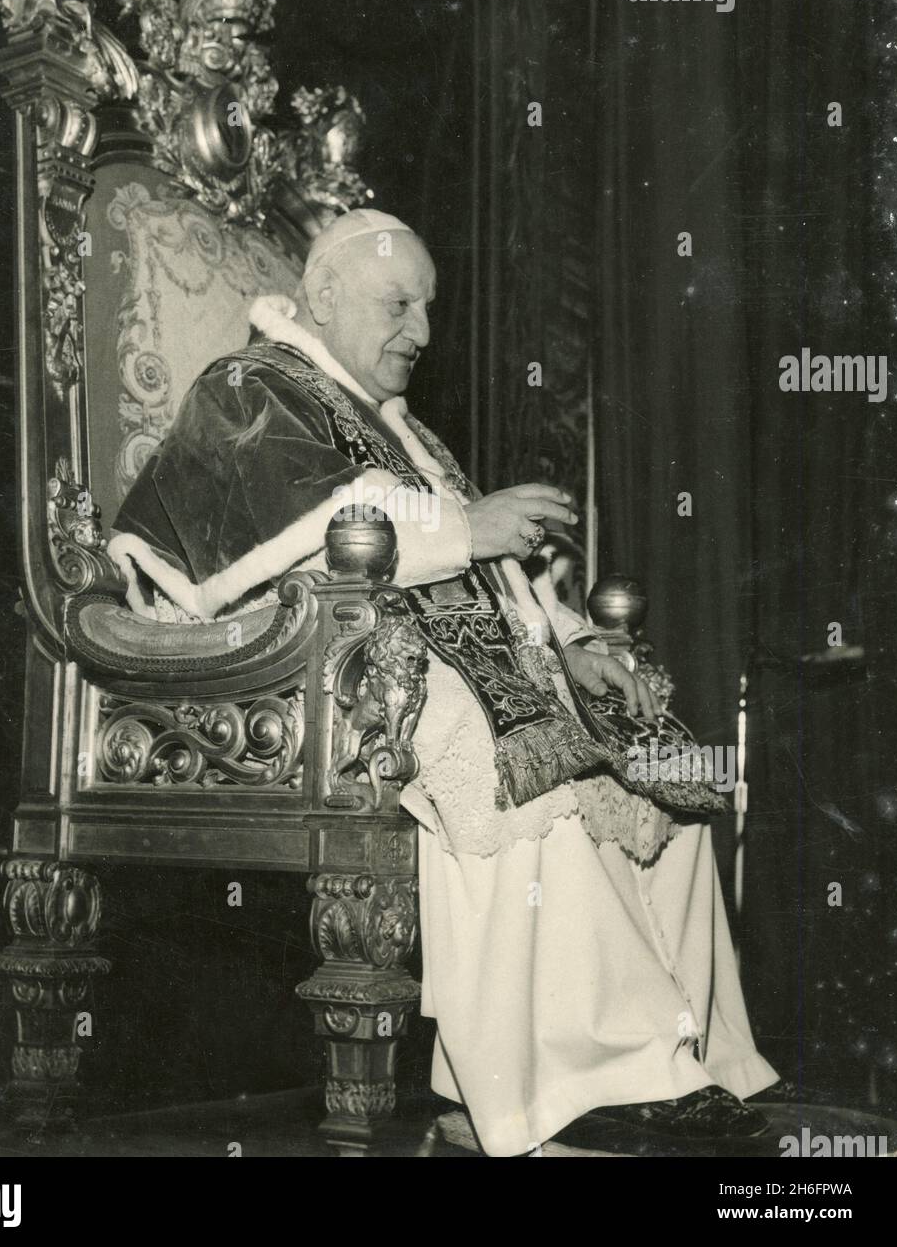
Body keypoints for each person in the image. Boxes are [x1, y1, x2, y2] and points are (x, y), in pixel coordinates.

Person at [110, 208, 779, 1156]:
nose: (421, 332)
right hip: (329, 676)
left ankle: (686, 1057)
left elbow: (482, 581)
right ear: (327, 295)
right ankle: (573, 1084)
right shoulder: (250, 388)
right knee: (492, 742)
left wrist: (563, 644)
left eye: (428, 308)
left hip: (435, 658)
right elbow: (310, 534)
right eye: (399, 303)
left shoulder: (398, 427)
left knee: (644, 742)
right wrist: (470, 529)